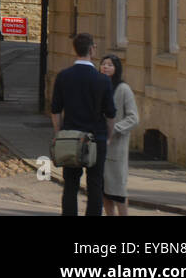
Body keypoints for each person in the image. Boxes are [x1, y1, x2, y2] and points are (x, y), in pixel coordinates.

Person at [50, 33, 117, 216]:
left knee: (70, 185)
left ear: (75, 50)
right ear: (91, 49)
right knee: (95, 185)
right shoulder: (102, 80)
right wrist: (108, 137)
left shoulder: (63, 76)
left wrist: (58, 133)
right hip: (96, 138)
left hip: (70, 137)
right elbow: (111, 114)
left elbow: (55, 110)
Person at [100, 54, 139, 216]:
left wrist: (114, 128)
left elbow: (133, 117)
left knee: (118, 191)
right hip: (100, 146)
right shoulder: (99, 86)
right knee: (104, 192)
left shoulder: (123, 89)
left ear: (116, 69)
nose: (106, 67)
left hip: (117, 148)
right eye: (103, 64)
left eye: (110, 65)